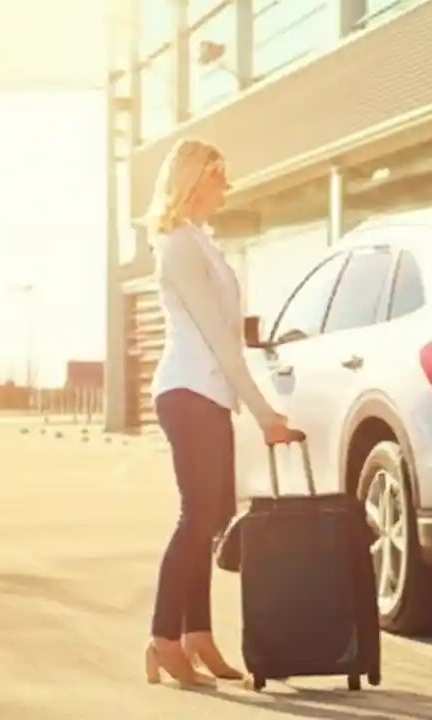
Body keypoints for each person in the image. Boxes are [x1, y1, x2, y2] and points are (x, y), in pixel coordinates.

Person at [141, 138, 298, 687]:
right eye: (219, 177)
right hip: (188, 391)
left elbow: (230, 335)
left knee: (210, 519)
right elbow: (218, 341)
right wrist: (264, 415)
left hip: (208, 395)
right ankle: (163, 638)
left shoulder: (198, 242)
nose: (226, 189)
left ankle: (198, 636)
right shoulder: (178, 247)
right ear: (194, 180)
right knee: (197, 517)